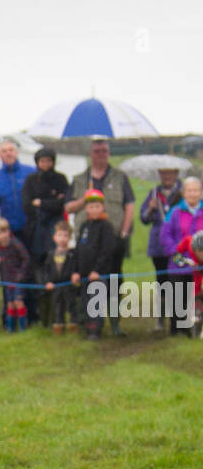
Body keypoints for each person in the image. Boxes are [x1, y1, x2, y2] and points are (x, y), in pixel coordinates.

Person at [65, 135, 134, 336]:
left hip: (112, 240)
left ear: (109, 153)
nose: (101, 155)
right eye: (97, 151)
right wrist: (85, 199)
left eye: (104, 151)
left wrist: (123, 232)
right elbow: (68, 207)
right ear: (90, 154)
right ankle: (90, 322)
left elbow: (129, 205)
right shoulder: (79, 179)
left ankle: (114, 323)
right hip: (86, 240)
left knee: (114, 282)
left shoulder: (120, 177)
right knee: (87, 284)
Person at [21, 148, 69, 327]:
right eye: (42, 161)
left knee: (57, 271)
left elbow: (62, 204)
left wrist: (42, 203)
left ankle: (59, 315)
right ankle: (43, 317)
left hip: (55, 232)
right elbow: (27, 204)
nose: (45, 164)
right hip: (36, 233)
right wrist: (51, 201)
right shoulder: (31, 180)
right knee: (39, 275)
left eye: (49, 160)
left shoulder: (60, 179)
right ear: (37, 162)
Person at [140, 167, 183, 332]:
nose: (167, 176)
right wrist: (150, 208)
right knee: (162, 282)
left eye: (170, 173)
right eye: (164, 173)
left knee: (180, 281)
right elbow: (143, 218)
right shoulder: (153, 193)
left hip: (178, 244)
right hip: (158, 245)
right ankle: (160, 320)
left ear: (176, 174)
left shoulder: (182, 192)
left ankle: (180, 319)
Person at [71, 190, 118, 339]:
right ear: (86, 208)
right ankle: (87, 326)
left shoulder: (106, 226)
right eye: (91, 206)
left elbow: (107, 250)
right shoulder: (85, 226)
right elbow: (78, 250)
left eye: (97, 206)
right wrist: (76, 271)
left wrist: (97, 270)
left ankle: (95, 330)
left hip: (98, 274)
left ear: (103, 207)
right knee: (85, 301)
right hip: (84, 274)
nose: (94, 209)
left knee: (95, 302)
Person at [159, 175, 203, 335]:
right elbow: (165, 235)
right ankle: (177, 330)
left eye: (196, 190)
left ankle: (196, 329)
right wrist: (175, 251)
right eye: (189, 190)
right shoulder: (174, 212)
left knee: (198, 298)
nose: (192, 193)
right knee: (178, 297)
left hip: (200, 265)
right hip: (178, 263)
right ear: (184, 193)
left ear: (201, 193)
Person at [0, 216, 31, 332]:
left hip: (18, 280)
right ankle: (10, 328)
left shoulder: (16, 244)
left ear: (8, 231)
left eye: (2, 232)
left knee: (19, 302)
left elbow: (26, 258)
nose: (1, 236)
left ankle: (23, 327)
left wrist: (21, 274)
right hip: (7, 280)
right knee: (10, 304)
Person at [42, 220, 78, 333]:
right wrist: (47, 282)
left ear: (70, 238)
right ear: (54, 237)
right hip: (56, 285)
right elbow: (46, 270)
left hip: (68, 284)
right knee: (58, 306)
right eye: (59, 235)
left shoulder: (72, 253)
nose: (62, 238)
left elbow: (76, 267)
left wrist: (75, 275)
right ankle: (59, 324)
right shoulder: (50, 254)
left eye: (65, 236)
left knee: (71, 304)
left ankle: (73, 324)